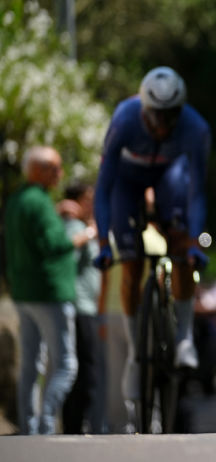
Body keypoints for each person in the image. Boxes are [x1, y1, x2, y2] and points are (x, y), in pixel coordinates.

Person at [92, 66, 211, 408]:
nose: (162, 123)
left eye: (170, 115)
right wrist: (104, 243)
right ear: (144, 107)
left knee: (182, 246)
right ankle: (134, 353)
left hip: (169, 175)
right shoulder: (124, 120)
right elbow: (104, 187)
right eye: (156, 115)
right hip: (127, 182)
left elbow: (198, 194)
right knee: (130, 265)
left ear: (181, 110)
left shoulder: (196, 128)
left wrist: (194, 239)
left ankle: (184, 336)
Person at [5, 146, 89, 434]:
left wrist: (56, 210)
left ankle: (30, 424)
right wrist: (84, 236)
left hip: (23, 294)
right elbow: (55, 246)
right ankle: (45, 423)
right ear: (39, 171)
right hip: (49, 294)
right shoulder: (39, 203)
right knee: (66, 365)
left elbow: (32, 229)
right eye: (55, 168)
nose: (60, 174)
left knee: (31, 364)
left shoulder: (18, 200)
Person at [59, 181, 105, 434]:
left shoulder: (83, 226)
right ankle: (74, 427)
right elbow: (66, 259)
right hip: (79, 308)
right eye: (89, 198)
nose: (92, 203)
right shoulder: (74, 227)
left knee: (85, 371)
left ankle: (75, 426)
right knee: (85, 372)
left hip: (87, 309)